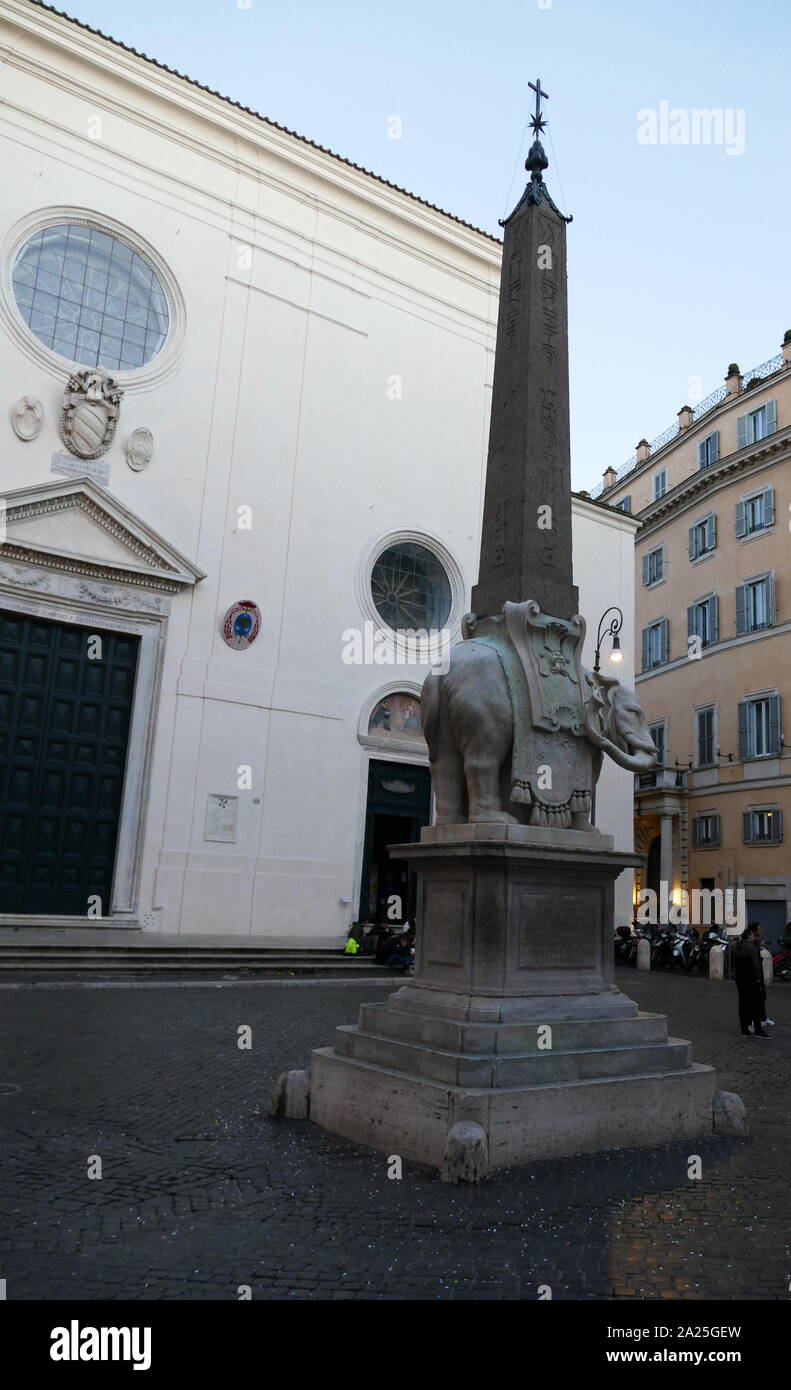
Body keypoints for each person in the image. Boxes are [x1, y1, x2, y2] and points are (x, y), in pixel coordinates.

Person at [732, 923, 769, 1037]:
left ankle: (745, 1029)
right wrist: (759, 979)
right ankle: (758, 1029)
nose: (753, 937)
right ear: (749, 936)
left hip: (740, 978)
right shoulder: (751, 948)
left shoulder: (736, 947)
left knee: (743, 1004)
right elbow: (756, 966)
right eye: (752, 935)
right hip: (751, 979)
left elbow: (734, 963)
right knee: (755, 1004)